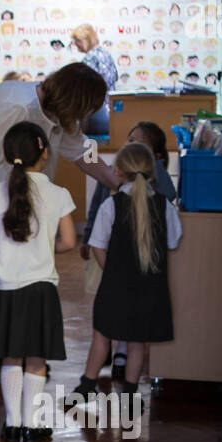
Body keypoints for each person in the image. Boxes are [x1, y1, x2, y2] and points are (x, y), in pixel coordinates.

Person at [0, 63, 120, 381]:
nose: (86, 116)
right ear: (75, 101)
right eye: (86, 109)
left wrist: (117, 181)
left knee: (7, 261)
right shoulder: (17, 107)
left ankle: (9, 348)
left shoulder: (57, 113)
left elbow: (82, 153)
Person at [0, 123, 76, 442]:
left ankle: (12, 424)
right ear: (44, 153)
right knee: (36, 358)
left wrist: (3, 247)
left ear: (7, 158)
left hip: (6, 288)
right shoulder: (59, 194)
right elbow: (70, 241)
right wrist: (47, 248)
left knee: (10, 357)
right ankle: (32, 425)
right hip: (41, 289)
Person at [75, 142, 182, 413]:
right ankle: (131, 395)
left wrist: (111, 269)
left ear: (118, 171)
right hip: (150, 288)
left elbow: (98, 244)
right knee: (136, 341)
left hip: (115, 286)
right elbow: (172, 241)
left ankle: (86, 388)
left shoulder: (111, 205)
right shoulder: (164, 206)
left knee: (102, 336)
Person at [69, 24, 117, 136]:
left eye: (78, 40)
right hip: (109, 110)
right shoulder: (106, 54)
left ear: (87, 39)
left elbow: (84, 88)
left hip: (95, 112)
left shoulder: (90, 58)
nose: (75, 44)